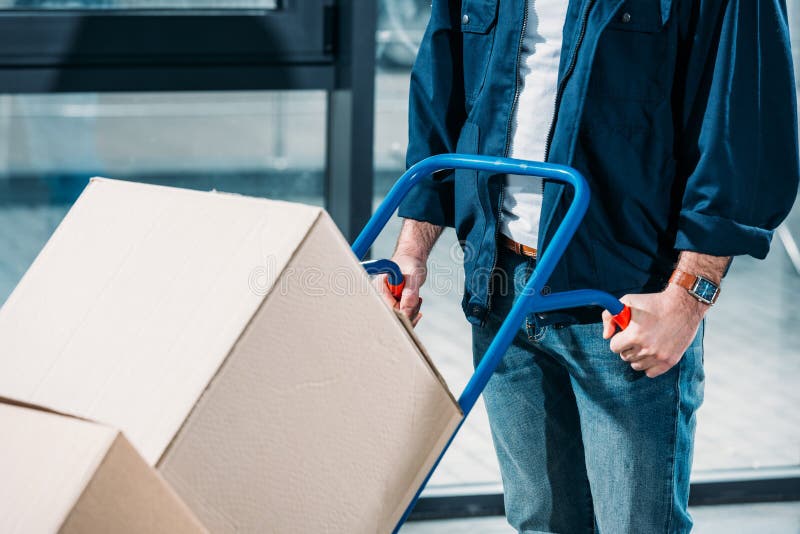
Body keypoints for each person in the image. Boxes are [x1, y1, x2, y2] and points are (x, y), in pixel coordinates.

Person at [376, 1, 800, 532]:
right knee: (541, 522)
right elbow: (443, 89)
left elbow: (745, 125)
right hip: (501, 287)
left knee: (635, 526)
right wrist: (412, 249)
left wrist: (689, 301)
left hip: (624, 298)